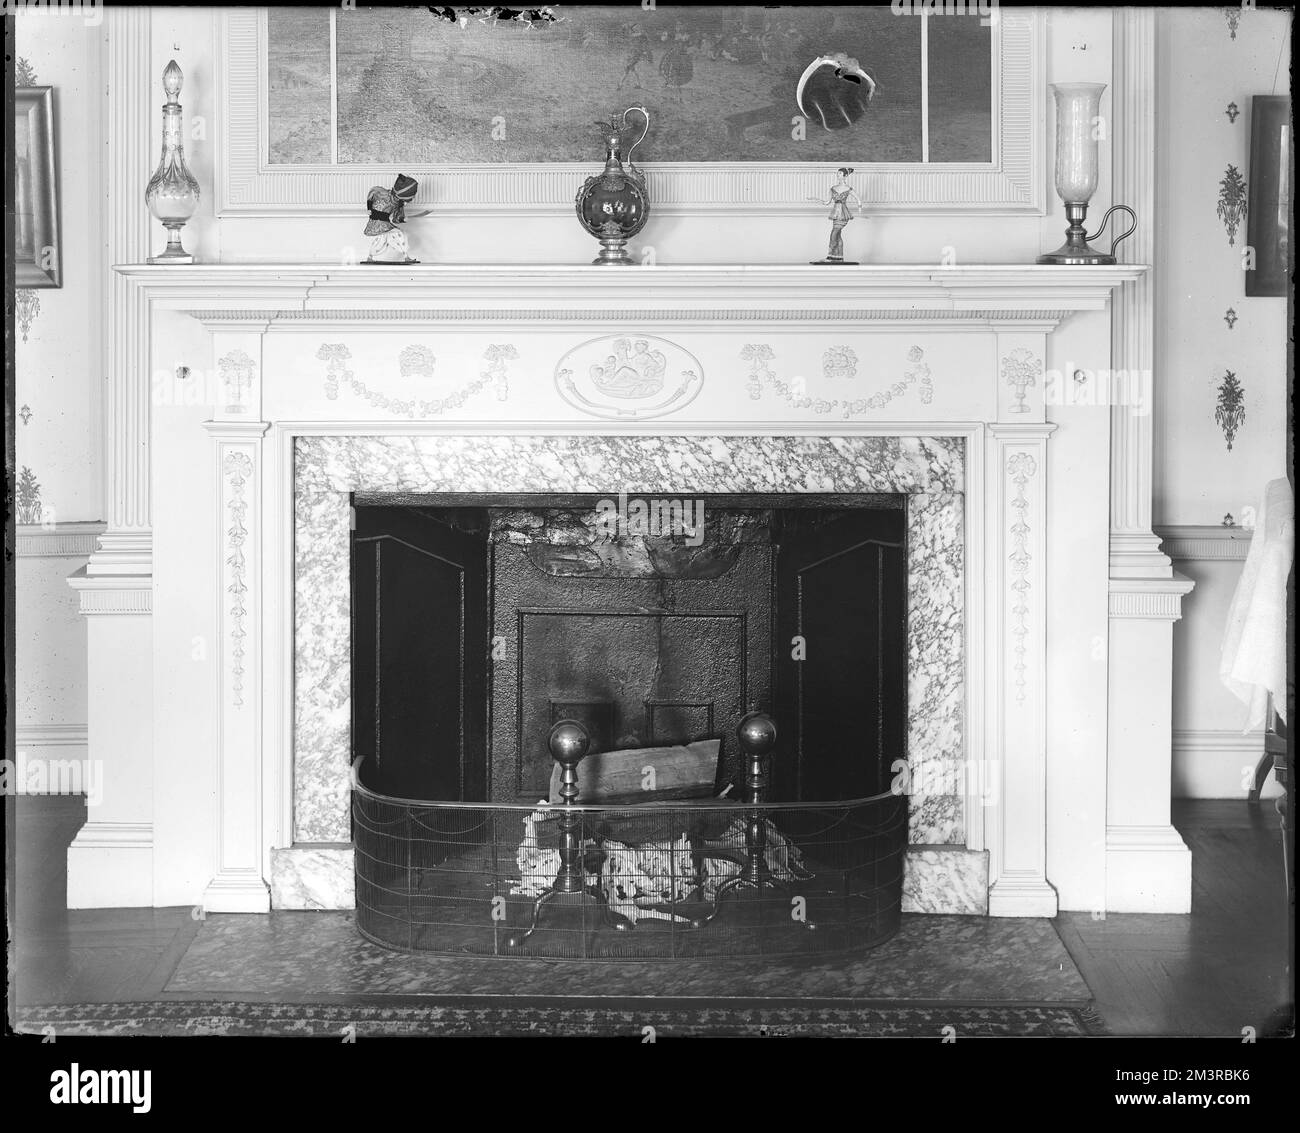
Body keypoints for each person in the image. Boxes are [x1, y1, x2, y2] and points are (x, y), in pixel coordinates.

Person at [807, 167, 862, 262]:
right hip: (836, 213)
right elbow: (827, 202)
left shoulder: (848, 188)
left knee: (834, 233)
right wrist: (816, 199)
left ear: (845, 175)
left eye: (840, 173)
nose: (838, 175)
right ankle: (839, 257)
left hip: (843, 214)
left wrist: (860, 212)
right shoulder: (833, 188)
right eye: (837, 173)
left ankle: (830, 256)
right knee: (838, 235)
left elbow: (858, 200)